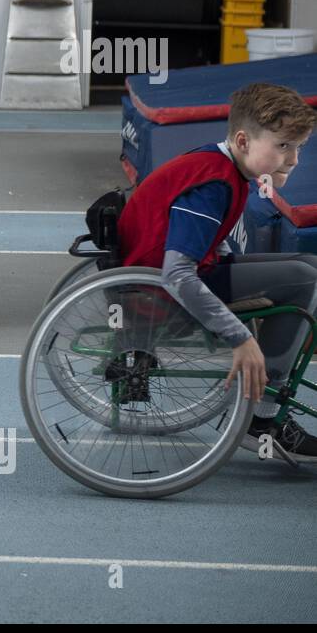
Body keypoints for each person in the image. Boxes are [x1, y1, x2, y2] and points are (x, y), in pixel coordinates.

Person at [118, 82, 317, 463]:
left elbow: (214, 239)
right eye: (282, 146)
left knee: (308, 267)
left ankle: (264, 407)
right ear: (243, 141)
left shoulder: (217, 162)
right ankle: (262, 419)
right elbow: (178, 274)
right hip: (158, 290)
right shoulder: (212, 184)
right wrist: (240, 338)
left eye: (298, 147)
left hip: (159, 272)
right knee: (303, 278)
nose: (293, 160)